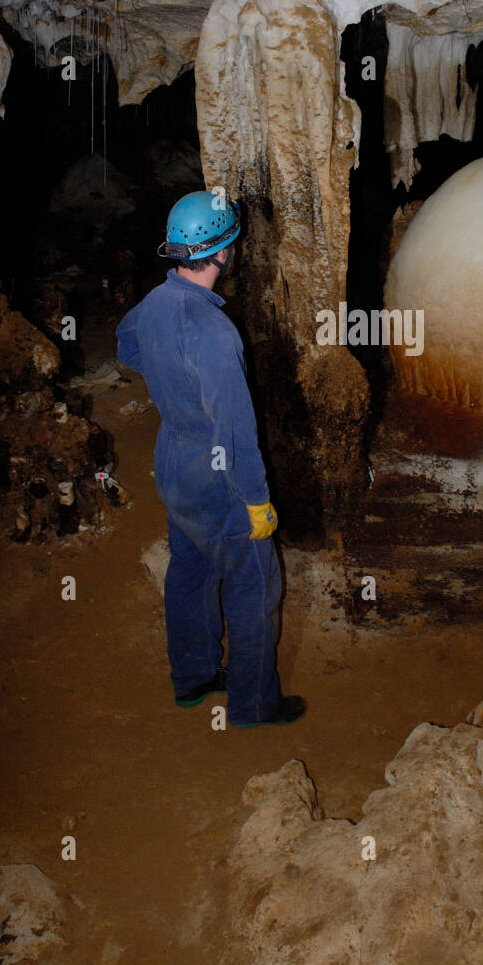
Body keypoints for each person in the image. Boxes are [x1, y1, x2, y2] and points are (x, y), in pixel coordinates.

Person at [115, 189, 305, 727]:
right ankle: (253, 705)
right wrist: (257, 501)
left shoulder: (154, 303)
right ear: (222, 253)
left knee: (190, 571)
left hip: (174, 464)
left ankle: (194, 678)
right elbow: (238, 431)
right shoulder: (217, 334)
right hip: (217, 473)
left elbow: (126, 345)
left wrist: (168, 380)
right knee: (254, 588)